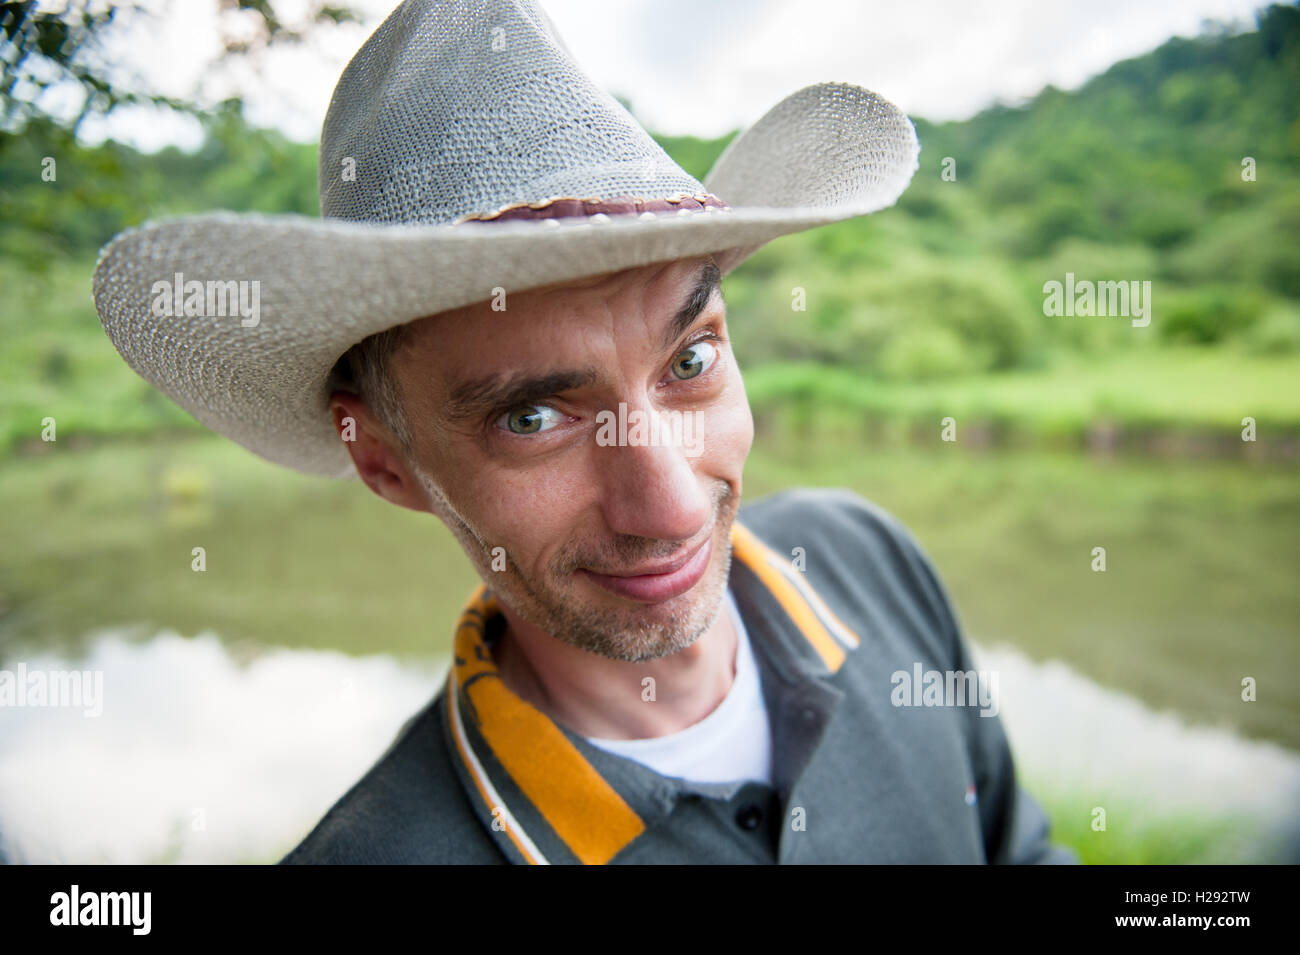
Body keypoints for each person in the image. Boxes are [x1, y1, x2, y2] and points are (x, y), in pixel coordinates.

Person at [91, 0, 1077, 864]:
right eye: (531, 417)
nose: (674, 504)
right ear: (385, 460)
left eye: (688, 361)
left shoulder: (868, 561)